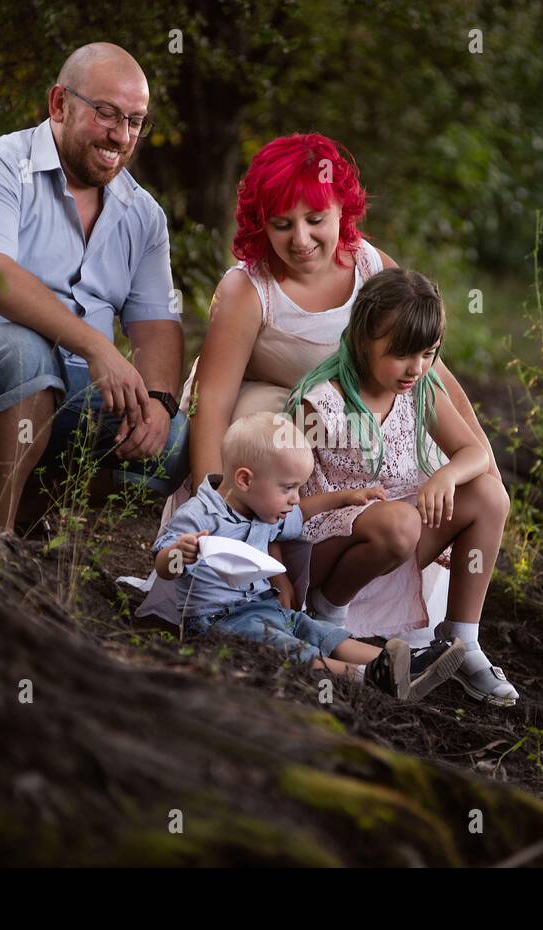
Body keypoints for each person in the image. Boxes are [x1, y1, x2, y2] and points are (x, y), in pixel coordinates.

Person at [135, 133, 504, 637]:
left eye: (316, 221)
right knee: (262, 436)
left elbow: (432, 370)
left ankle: (386, 610)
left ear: (342, 213)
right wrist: (217, 506)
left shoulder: (373, 268)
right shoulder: (250, 287)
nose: (301, 240)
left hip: (357, 419)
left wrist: (480, 451)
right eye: (282, 225)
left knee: (440, 471)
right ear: (261, 223)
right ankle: (281, 573)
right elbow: (212, 400)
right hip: (284, 418)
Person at [0, 42, 187, 533]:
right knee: (21, 352)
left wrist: (159, 401)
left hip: (57, 397)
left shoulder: (143, 216)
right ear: (59, 105)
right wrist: (96, 346)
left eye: (136, 121)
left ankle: (26, 508)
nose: (122, 135)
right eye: (107, 114)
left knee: (172, 443)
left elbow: (155, 326)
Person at [286, 268, 518, 707]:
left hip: (397, 541)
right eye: (402, 354)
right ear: (362, 340)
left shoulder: (420, 390)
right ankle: (329, 616)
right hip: (327, 553)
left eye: (428, 353)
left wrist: (445, 474)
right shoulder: (321, 403)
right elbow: (286, 501)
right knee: (400, 522)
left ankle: (463, 640)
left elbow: (475, 453)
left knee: (489, 494)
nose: (416, 368)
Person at [154, 412, 466, 702]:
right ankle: (365, 678)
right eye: (288, 488)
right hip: (216, 620)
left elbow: (303, 511)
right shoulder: (199, 514)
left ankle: (411, 665)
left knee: (317, 630)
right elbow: (164, 566)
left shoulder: (265, 510)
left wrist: (344, 498)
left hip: (266, 607)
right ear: (245, 480)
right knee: (291, 649)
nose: (294, 498)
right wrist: (180, 554)